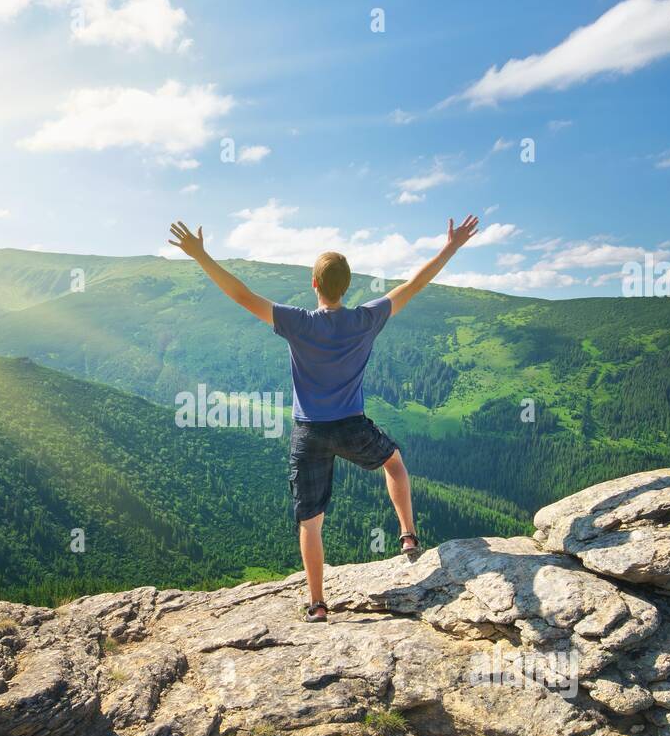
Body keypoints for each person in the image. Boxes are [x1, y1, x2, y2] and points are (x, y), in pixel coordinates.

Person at [166, 215, 480, 621]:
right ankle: (407, 535)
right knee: (395, 464)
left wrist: (201, 255)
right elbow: (414, 285)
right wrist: (451, 247)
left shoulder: (297, 323)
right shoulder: (367, 319)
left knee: (311, 523)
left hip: (308, 432)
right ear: (347, 287)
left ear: (314, 285)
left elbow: (242, 295)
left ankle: (317, 604)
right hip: (352, 425)